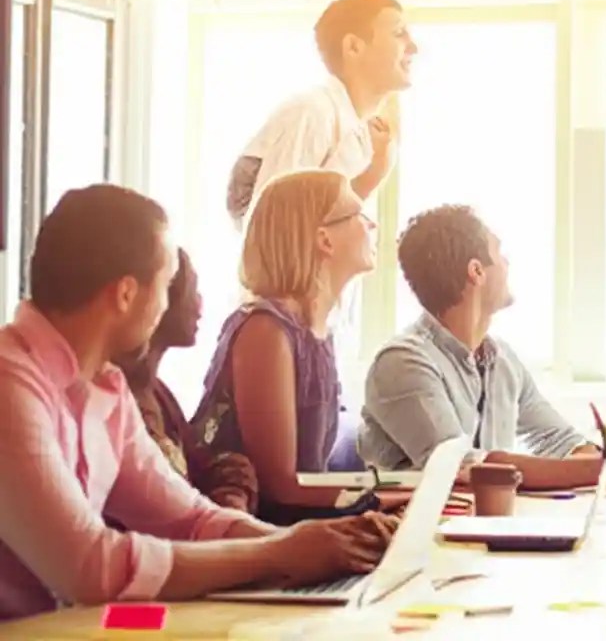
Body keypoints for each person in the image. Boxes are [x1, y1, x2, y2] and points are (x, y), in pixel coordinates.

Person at [0, 184, 396, 620]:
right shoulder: (10, 381)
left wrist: (316, 544)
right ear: (126, 294)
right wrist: (279, 552)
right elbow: (91, 566)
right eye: (167, 283)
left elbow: (191, 519)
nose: (168, 302)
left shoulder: (107, 386)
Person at [192, 170, 407, 523]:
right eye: (359, 214)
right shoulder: (266, 331)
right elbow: (280, 490)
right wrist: (384, 500)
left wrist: (410, 490)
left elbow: (311, 481)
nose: (372, 224)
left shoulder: (318, 332)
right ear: (324, 239)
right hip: (258, 536)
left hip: (298, 529)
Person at [357, 205, 602, 490]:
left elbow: (562, 442)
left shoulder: (503, 360)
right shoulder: (403, 362)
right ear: (476, 271)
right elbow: (461, 468)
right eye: (499, 253)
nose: (507, 262)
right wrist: (605, 469)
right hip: (415, 518)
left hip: (487, 515)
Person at [225, 0, 417, 226]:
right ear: (354, 47)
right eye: (399, 33)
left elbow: (323, 220)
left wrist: (376, 171)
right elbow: (274, 226)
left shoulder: (362, 137)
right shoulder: (313, 112)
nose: (414, 48)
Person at [113, 248, 258, 512]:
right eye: (192, 291)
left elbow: (211, 463)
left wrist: (230, 500)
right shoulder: (116, 398)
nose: (199, 305)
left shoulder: (157, 392)